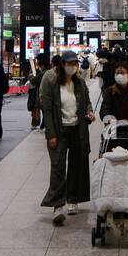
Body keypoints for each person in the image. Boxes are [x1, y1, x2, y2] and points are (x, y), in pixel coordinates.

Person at [40, 51, 95, 224]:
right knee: (57, 167)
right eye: (70, 63)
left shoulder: (78, 81)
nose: (73, 67)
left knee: (77, 164)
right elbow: (46, 109)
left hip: (78, 129)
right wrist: (51, 134)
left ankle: (73, 199)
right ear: (62, 64)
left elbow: (86, 100)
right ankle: (58, 205)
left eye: (75, 63)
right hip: (59, 129)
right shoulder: (50, 80)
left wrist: (89, 112)